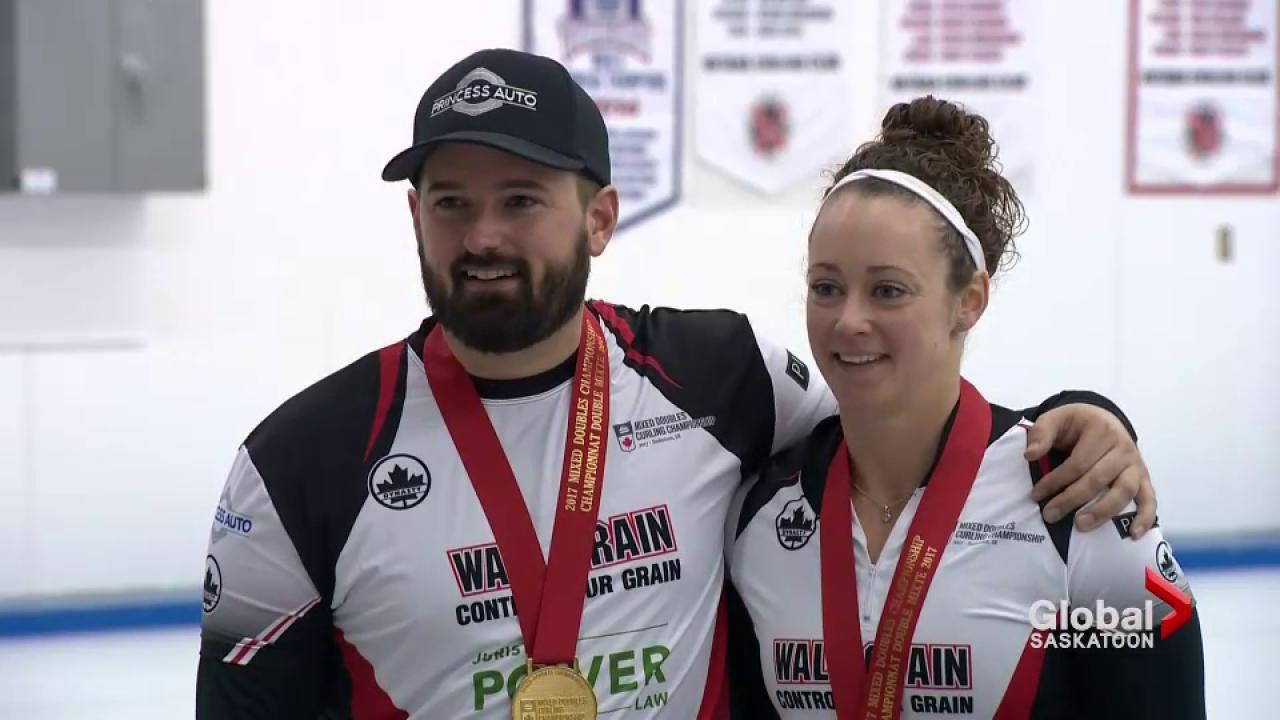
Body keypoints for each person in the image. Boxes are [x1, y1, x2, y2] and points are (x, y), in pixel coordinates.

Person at [195, 49, 1157, 719]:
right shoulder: (298, 465)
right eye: (452, 202)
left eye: (522, 200)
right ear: (416, 216)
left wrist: (1090, 425)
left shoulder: (719, 378)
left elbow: (901, 421)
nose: (482, 235)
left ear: (601, 218)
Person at [725, 97, 1205, 719]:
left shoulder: (1076, 506)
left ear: (969, 300)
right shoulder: (759, 517)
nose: (848, 321)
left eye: (888, 290)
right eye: (826, 287)